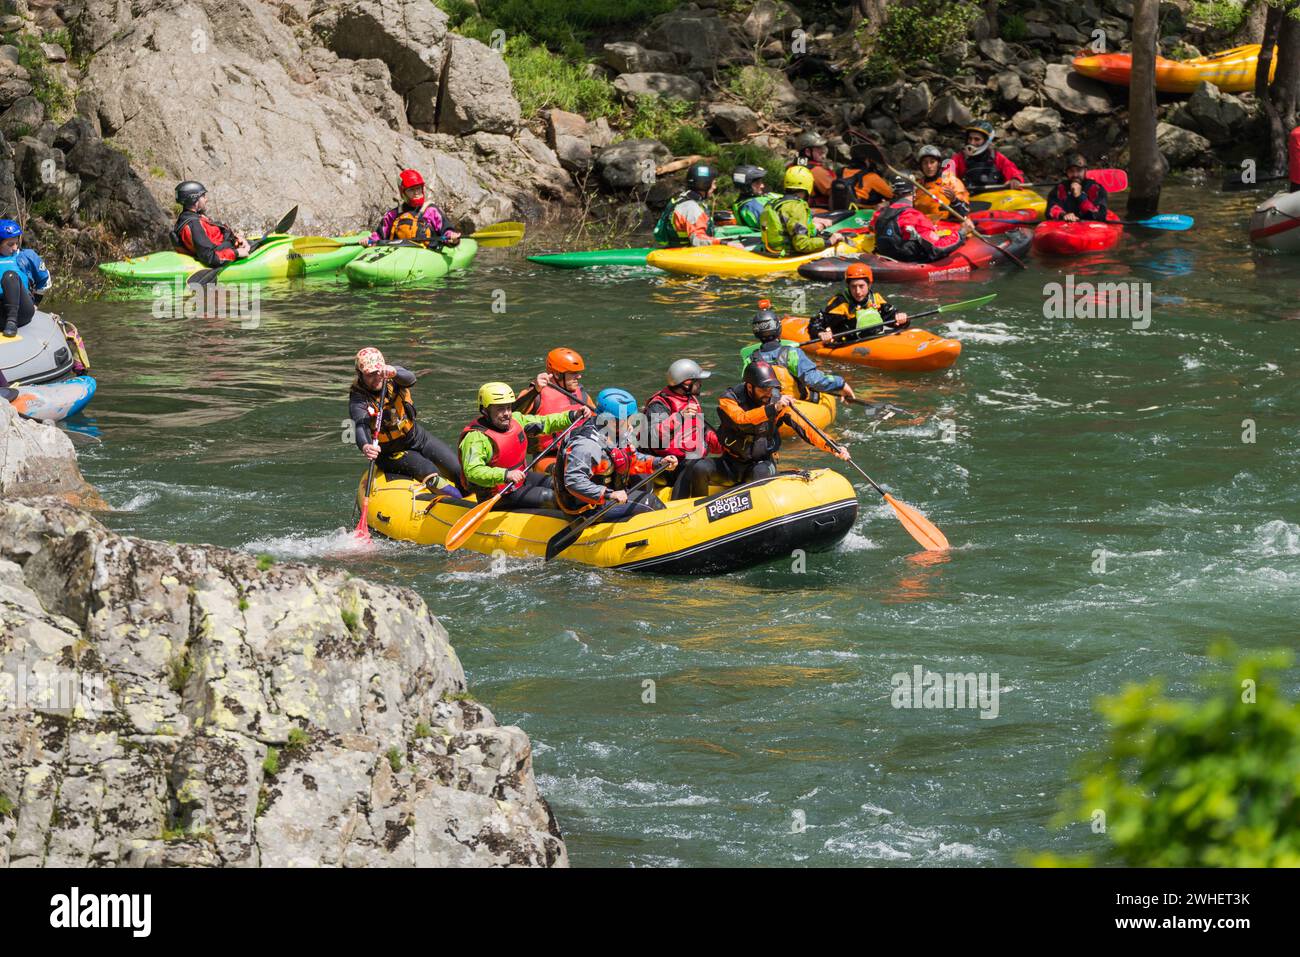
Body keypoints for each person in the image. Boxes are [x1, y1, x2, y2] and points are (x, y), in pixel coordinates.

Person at [715, 360, 849, 485]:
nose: (768, 394)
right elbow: (741, 420)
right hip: (731, 461)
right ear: (750, 387)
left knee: (758, 474)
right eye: (763, 389)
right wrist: (772, 408)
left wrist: (834, 447)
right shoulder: (729, 399)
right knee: (703, 468)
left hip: (761, 463)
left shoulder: (777, 402)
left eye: (770, 388)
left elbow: (807, 429)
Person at [349, 347, 462, 495]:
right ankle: (458, 502)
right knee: (431, 473)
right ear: (360, 374)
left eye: (378, 372)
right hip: (389, 452)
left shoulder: (394, 377)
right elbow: (360, 426)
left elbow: (411, 379)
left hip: (416, 437)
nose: (376, 377)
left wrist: (394, 372)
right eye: (370, 374)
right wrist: (366, 446)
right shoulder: (358, 399)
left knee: (458, 470)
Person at [553, 388, 677, 521]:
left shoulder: (616, 433)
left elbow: (631, 459)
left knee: (642, 478)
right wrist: (608, 494)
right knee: (650, 502)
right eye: (629, 419)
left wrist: (659, 462)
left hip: (606, 494)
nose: (632, 423)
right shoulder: (586, 445)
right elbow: (574, 481)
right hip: (586, 507)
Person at [458, 382, 587, 508]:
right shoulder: (476, 438)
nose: (507, 413)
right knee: (550, 497)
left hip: (521, 478)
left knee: (561, 484)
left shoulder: (516, 420)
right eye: (500, 409)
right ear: (485, 410)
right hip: (498, 494)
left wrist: (572, 415)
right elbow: (473, 471)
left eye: (508, 407)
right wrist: (505, 475)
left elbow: (545, 422)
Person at [640, 359, 723, 500]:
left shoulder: (690, 400)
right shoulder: (659, 404)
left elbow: (702, 432)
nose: (700, 384)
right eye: (697, 381)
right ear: (686, 383)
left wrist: (726, 442)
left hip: (685, 461)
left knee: (698, 461)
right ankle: (680, 502)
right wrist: (679, 417)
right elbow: (652, 439)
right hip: (664, 465)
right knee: (692, 461)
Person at [741, 303, 855, 402]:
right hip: (794, 404)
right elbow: (813, 380)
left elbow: (747, 388)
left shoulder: (750, 358)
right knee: (813, 394)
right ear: (778, 329)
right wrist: (840, 383)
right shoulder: (792, 353)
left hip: (766, 404)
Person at [513, 347, 597, 453]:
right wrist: (535, 390)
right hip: (548, 455)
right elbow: (512, 416)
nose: (579, 376)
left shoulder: (583, 395)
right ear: (557, 374)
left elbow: (597, 422)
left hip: (579, 451)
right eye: (573, 373)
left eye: (578, 372)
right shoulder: (536, 394)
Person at [809, 262, 909, 346]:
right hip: (847, 343)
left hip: (875, 340)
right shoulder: (839, 303)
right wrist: (821, 333)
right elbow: (816, 323)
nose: (858, 291)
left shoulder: (876, 299)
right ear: (848, 286)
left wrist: (901, 318)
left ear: (869, 285)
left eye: (861, 286)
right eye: (853, 286)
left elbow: (893, 317)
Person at [872, 178, 968, 263]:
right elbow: (936, 247)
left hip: (888, 256)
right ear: (914, 194)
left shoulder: (880, 213)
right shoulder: (914, 216)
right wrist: (961, 234)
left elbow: (874, 228)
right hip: (908, 260)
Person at [654, 163, 743, 248]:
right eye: (713, 183)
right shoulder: (692, 208)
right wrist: (725, 243)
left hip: (678, 248)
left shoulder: (683, 199)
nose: (714, 187)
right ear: (704, 184)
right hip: (685, 253)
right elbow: (698, 240)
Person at [365, 169, 461, 247]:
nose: (416, 193)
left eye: (418, 188)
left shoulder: (431, 210)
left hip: (427, 254)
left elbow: (446, 230)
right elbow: (379, 236)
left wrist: (452, 237)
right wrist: (369, 241)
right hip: (399, 254)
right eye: (411, 190)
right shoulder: (392, 215)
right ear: (403, 193)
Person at [170, 181, 251, 268]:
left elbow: (214, 239)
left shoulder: (192, 217)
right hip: (227, 256)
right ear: (194, 199)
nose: (206, 199)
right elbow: (209, 257)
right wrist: (237, 252)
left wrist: (236, 240)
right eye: (203, 196)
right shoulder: (194, 225)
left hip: (231, 247)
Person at [761, 166, 837, 257]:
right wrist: (829, 241)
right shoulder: (797, 207)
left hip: (772, 251)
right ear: (809, 184)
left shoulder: (774, 203)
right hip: (788, 255)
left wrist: (814, 229)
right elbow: (802, 245)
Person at [0, 219, 51, 338]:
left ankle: (11, 322)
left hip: (21, 312)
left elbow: (45, 280)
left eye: (16, 243)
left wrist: (36, 303)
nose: (15, 248)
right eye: (10, 244)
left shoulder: (26, 256)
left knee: (10, 276)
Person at [946, 121, 1025, 192]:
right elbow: (947, 176)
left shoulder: (996, 157)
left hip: (995, 198)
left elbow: (1011, 169)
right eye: (970, 139)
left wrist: (1015, 179)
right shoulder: (958, 158)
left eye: (977, 139)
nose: (972, 143)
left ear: (986, 141)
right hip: (969, 198)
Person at [914, 145, 971, 222]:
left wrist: (954, 200)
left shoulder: (951, 181)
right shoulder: (917, 186)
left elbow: (965, 212)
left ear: (938, 164)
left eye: (932, 162)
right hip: (924, 226)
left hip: (949, 224)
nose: (929, 166)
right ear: (921, 166)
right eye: (925, 163)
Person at [1046, 155, 1109, 222]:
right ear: (1067, 173)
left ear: (1085, 170)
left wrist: (1080, 196)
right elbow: (1050, 210)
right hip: (1067, 224)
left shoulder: (1096, 188)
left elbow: (1100, 215)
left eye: (1079, 170)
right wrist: (1063, 215)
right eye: (1071, 171)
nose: (1075, 175)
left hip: (1088, 224)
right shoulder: (1060, 188)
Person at [830, 143, 893, 211]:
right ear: (867, 161)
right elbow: (891, 195)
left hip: (837, 210)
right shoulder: (872, 177)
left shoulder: (840, 171)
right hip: (861, 212)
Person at [731, 166, 781, 231]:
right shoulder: (751, 206)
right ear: (746, 186)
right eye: (757, 183)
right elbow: (771, 227)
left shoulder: (760, 198)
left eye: (761, 182)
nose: (762, 186)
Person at [792, 131, 835, 207]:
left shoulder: (792, 167)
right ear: (808, 152)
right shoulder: (817, 171)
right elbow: (836, 191)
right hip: (819, 210)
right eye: (819, 148)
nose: (823, 151)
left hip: (798, 208)